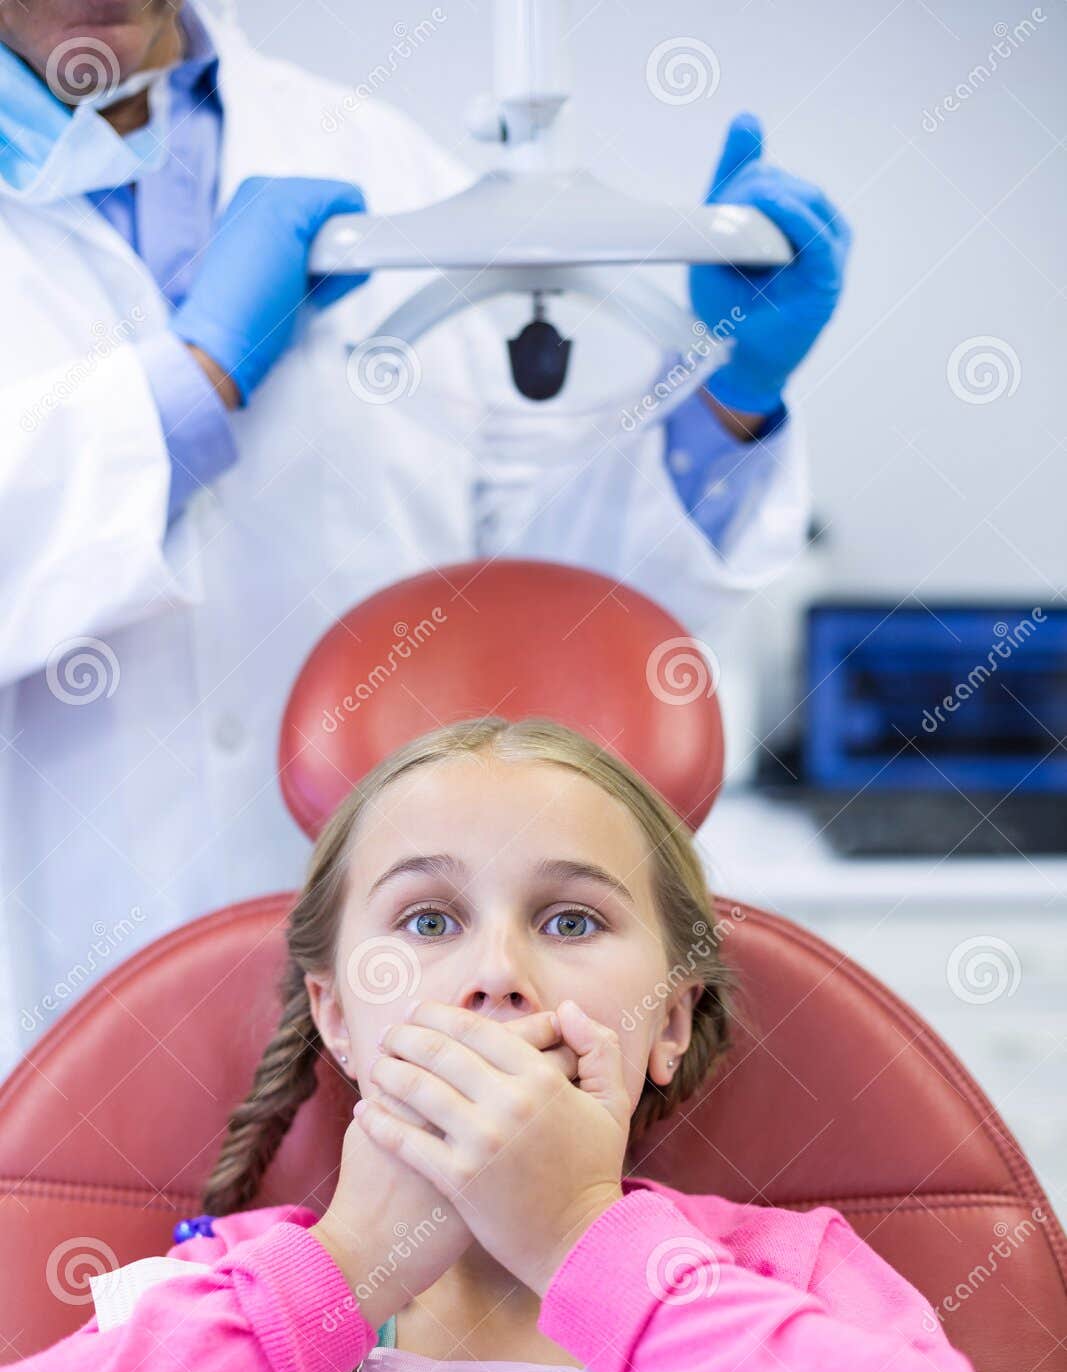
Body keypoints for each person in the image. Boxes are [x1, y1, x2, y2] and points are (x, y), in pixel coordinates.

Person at [0, 717, 1062, 1372]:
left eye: (570, 918)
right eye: (427, 919)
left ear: (668, 1022)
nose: (496, 973)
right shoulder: (221, 1293)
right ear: (334, 1015)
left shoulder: (781, 1279)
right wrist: (342, 1266)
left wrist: (578, 1240)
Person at [0, 0, 850, 1074]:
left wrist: (718, 397)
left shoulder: (382, 171)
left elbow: (541, 606)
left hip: (415, 1026)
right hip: (51, 996)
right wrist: (196, 382)